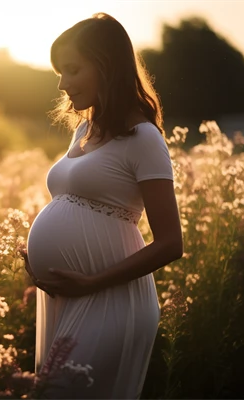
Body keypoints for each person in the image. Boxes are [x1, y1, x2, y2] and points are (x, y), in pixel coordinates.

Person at [22, 12, 183, 399]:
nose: (62, 83)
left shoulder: (144, 138)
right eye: (59, 72)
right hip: (66, 294)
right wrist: (36, 256)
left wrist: (92, 281)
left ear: (107, 66)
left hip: (111, 300)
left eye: (73, 69)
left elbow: (170, 243)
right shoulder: (83, 130)